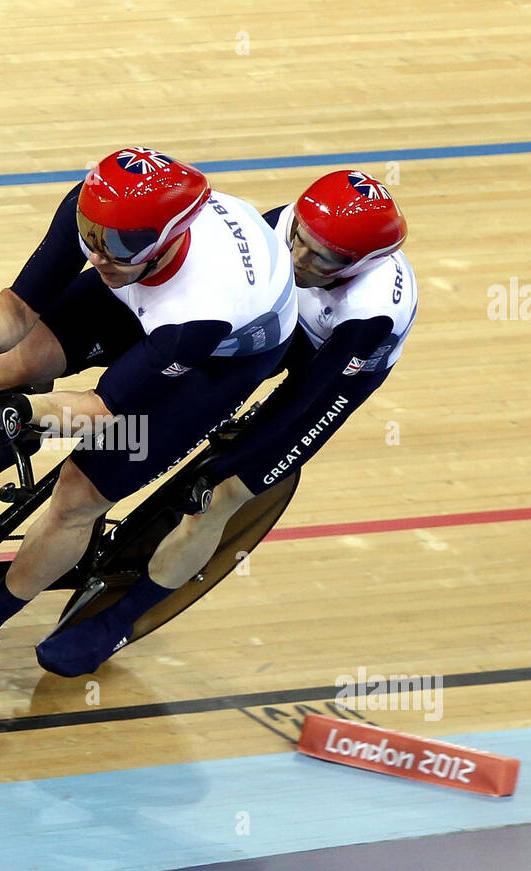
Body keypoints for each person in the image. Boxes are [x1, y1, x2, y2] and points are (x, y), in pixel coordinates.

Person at [0, 146, 298, 692]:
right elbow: (18, 307)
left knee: (78, 496)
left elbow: (101, 410)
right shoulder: (104, 213)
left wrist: (27, 414)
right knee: (14, 365)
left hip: (214, 360)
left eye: (119, 243)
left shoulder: (200, 306)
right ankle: (2, 449)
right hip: (143, 292)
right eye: (92, 236)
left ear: (172, 236)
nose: (100, 252)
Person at [35, 169, 416, 676]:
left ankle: (123, 620)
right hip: (266, 324)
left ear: (361, 264)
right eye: (299, 238)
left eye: (322, 258)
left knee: (224, 494)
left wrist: (226, 467)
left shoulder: (370, 311)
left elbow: (304, 399)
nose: (300, 257)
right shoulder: (292, 225)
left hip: (330, 362)